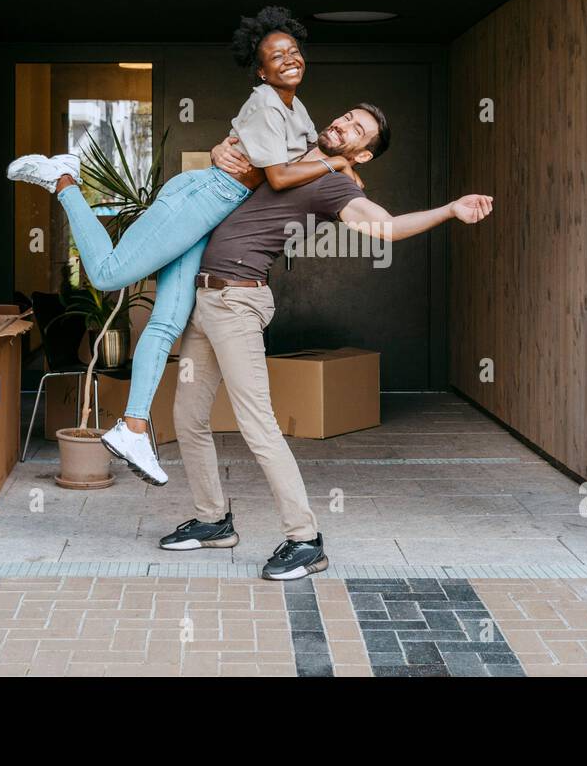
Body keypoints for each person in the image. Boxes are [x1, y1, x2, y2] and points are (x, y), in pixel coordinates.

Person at [7, 8, 356, 485]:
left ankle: (132, 427)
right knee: (109, 273)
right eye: (276, 56)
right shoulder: (264, 101)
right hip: (201, 200)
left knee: (167, 322)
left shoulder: (297, 110)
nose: (289, 59)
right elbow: (279, 175)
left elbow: (303, 160)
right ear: (261, 69)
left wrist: (341, 161)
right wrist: (336, 165)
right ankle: (65, 177)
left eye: (294, 51)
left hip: (213, 215)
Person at [161, 105, 493, 580]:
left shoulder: (335, 185)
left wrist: (450, 210)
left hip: (238, 301)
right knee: (188, 417)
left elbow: (387, 227)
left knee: (258, 425)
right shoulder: (290, 157)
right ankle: (213, 520)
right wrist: (220, 149)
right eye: (347, 117)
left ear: (362, 154)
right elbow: (236, 148)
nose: (344, 125)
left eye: (359, 131)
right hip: (206, 298)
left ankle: (305, 539)